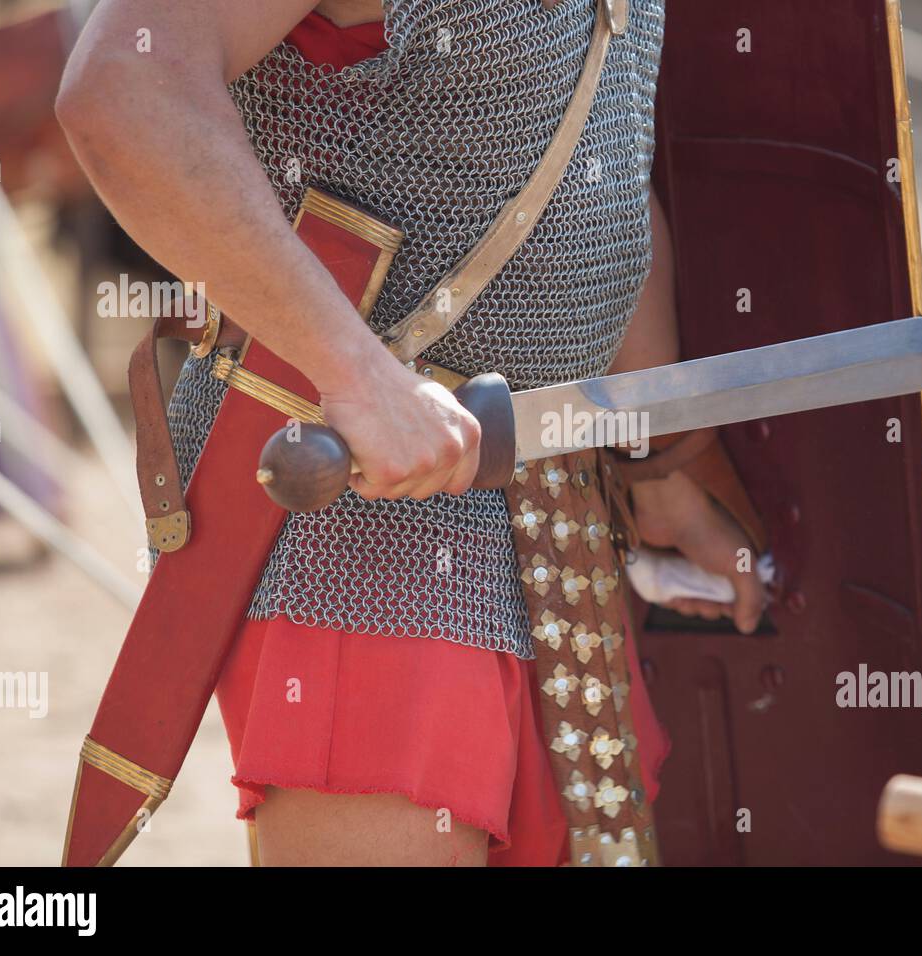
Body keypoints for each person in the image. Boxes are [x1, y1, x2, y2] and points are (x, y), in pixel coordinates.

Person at [56, 0, 763, 866]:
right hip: (364, 514)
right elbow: (123, 88)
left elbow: (602, 179)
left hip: (559, 521)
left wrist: (654, 471)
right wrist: (355, 373)